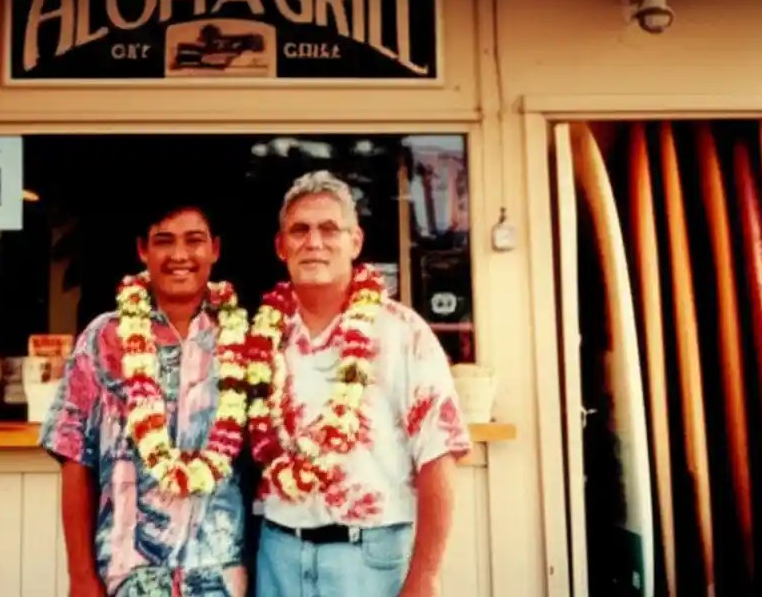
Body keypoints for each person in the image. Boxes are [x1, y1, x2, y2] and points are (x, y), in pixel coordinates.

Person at [245, 170, 472, 597]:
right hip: (277, 554)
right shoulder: (260, 338)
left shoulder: (402, 332)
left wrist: (425, 575)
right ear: (281, 246)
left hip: (371, 557)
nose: (314, 242)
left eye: (329, 229)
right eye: (300, 230)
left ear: (356, 242)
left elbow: (438, 458)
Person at [39, 196, 255, 597]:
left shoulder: (246, 341)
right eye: (163, 240)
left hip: (222, 573)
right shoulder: (102, 340)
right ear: (143, 250)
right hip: (126, 573)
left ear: (215, 249)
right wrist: (82, 577)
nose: (179, 255)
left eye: (194, 240)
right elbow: (74, 460)